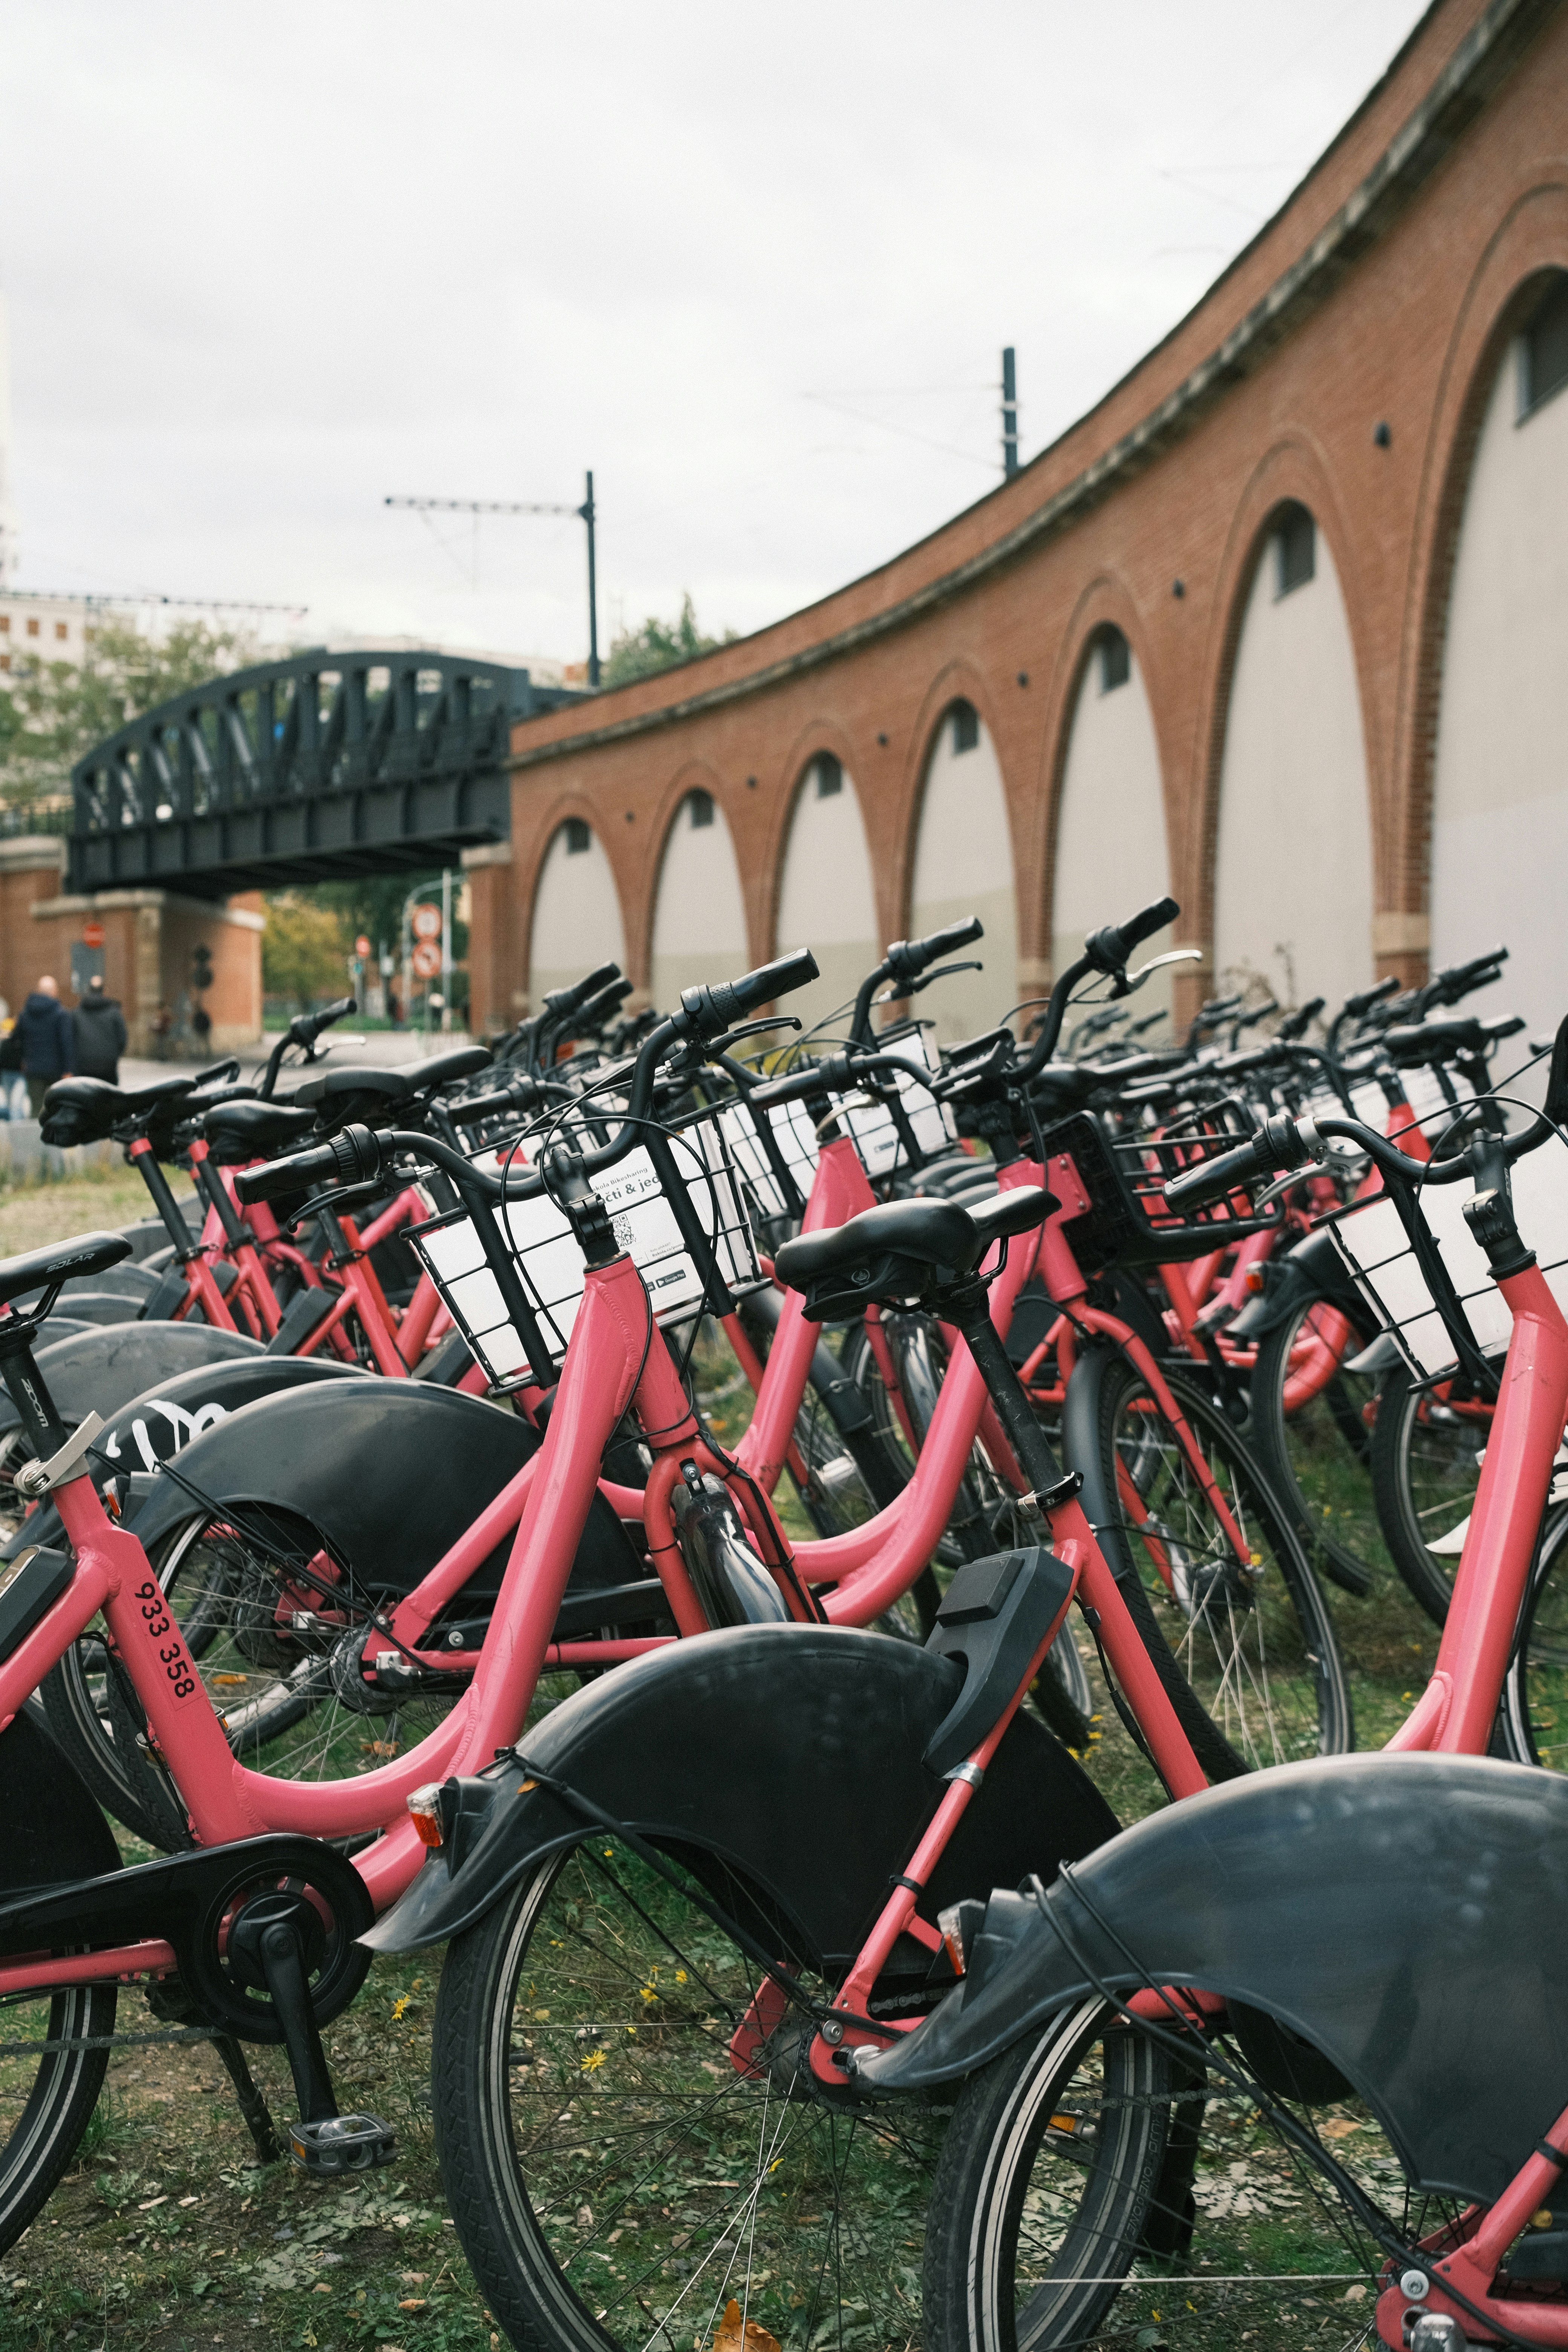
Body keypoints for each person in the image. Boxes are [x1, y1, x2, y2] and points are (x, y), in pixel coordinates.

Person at [15, 975, 75, 1116]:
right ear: (54, 991)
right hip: (56, 1071)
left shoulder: (25, 1014)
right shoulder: (61, 1014)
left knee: (36, 1110)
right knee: (56, 1110)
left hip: (33, 1069)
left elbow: (17, 1041)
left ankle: (35, 1137)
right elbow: (67, 1043)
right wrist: (69, 1070)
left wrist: (23, 1060)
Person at [72, 975, 129, 1085]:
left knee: (86, 1098)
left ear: (89, 989)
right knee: (108, 1098)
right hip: (108, 1065)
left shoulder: (77, 1013)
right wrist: (114, 1055)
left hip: (84, 1065)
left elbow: (71, 1038)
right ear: (104, 990)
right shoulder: (114, 1013)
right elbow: (122, 1038)